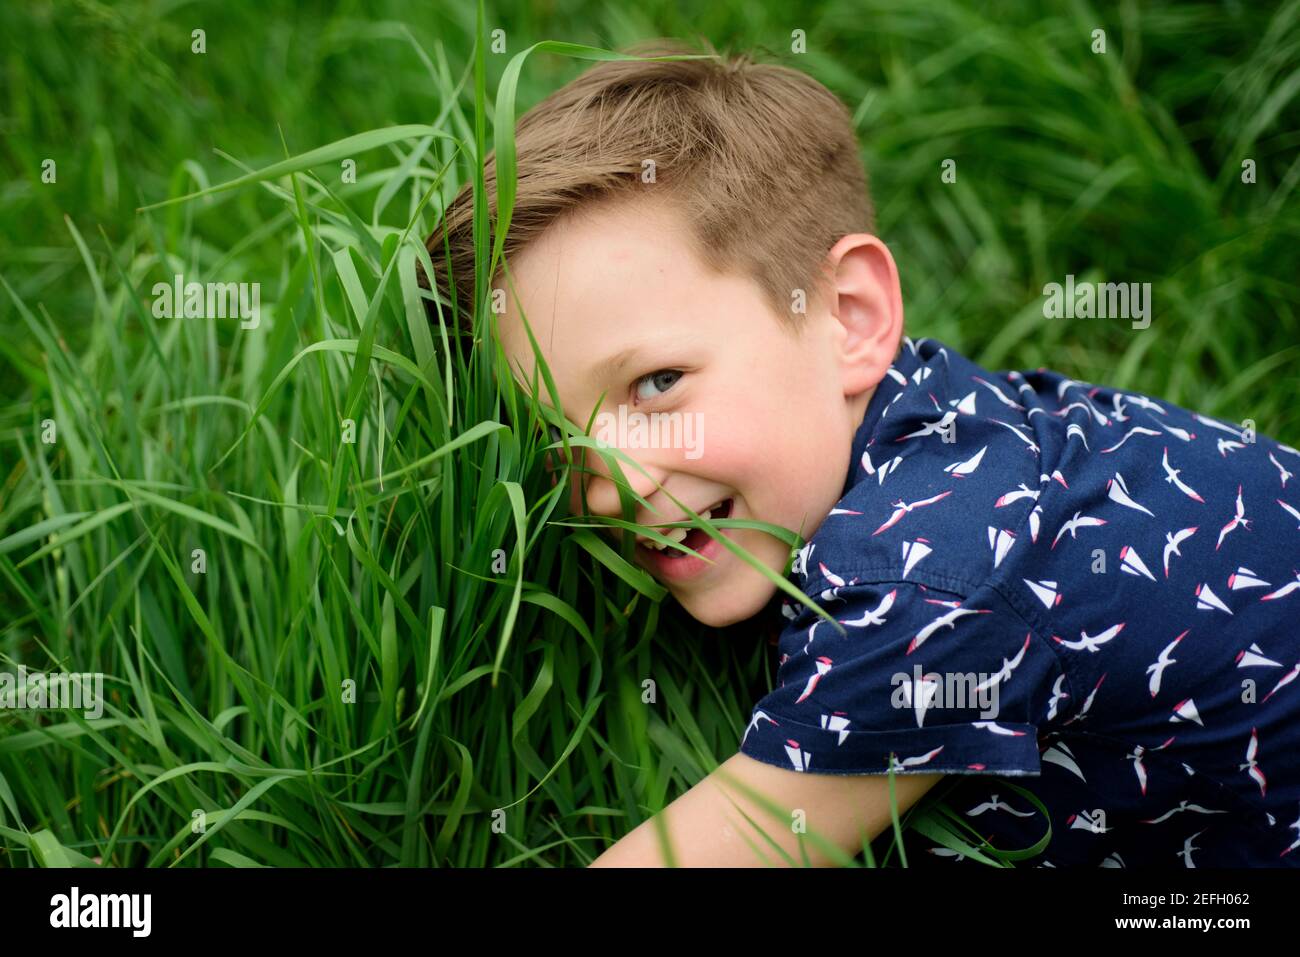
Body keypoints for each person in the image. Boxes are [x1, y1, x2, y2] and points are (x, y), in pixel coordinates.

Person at [420, 39, 1300, 867]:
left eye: (656, 384)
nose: (609, 484)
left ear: (850, 317)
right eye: (555, 436)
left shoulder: (928, 585)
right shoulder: (933, 425)